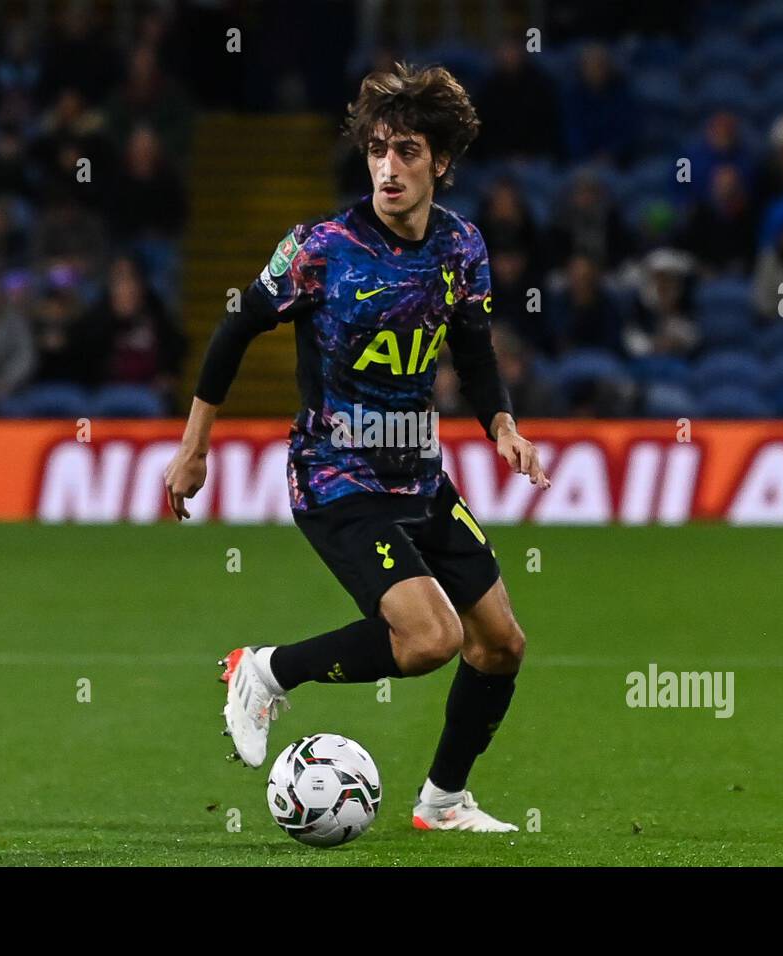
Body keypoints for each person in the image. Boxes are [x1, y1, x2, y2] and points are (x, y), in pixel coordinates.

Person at [162, 63, 551, 833]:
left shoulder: (462, 246)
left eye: (406, 151)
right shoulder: (322, 247)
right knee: (431, 638)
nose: (388, 168)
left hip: (420, 477)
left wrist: (503, 426)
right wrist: (193, 447)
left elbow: (473, 353)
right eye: (377, 151)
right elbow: (236, 326)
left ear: (440, 161)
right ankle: (268, 670)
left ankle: (442, 803)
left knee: (501, 644)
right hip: (337, 476)